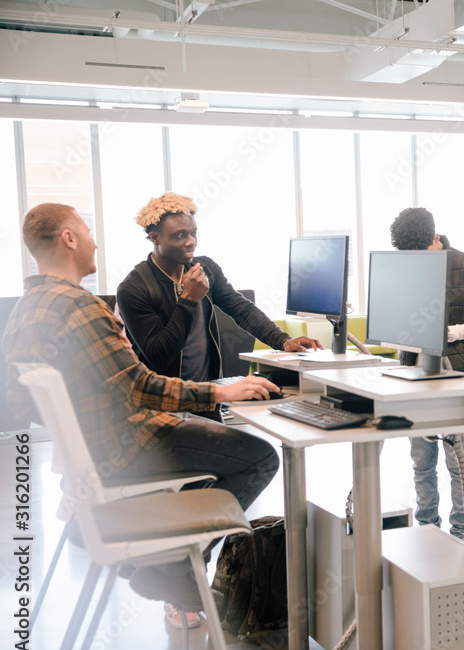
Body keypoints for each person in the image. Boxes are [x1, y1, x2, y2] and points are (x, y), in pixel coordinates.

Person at [2, 203, 280, 623]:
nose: (95, 240)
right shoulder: (82, 307)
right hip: (128, 444)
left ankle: (170, 566)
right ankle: (169, 568)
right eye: (88, 231)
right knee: (261, 457)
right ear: (69, 239)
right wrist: (225, 393)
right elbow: (140, 386)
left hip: (99, 448)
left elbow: (20, 401)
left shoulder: (28, 307)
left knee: (220, 455)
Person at [116, 192, 321, 421]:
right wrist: (188, 300)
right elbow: (158, 356)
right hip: (163, 409)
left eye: (193, 233)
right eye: (180, 235)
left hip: (207, 400)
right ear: (155, 238)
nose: (190, 241)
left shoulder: (206, 269)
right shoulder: (134, 288)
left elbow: (241, 309)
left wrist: (283, 340)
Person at [389, 207, 464, 541]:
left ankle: (463, 532)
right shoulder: (408, 265)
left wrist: (448, 332)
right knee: (421, 459)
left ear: (434, 238)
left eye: (421, 253)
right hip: (414, 372)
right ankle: (427, 527)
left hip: (457, 370)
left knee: (457, 459)